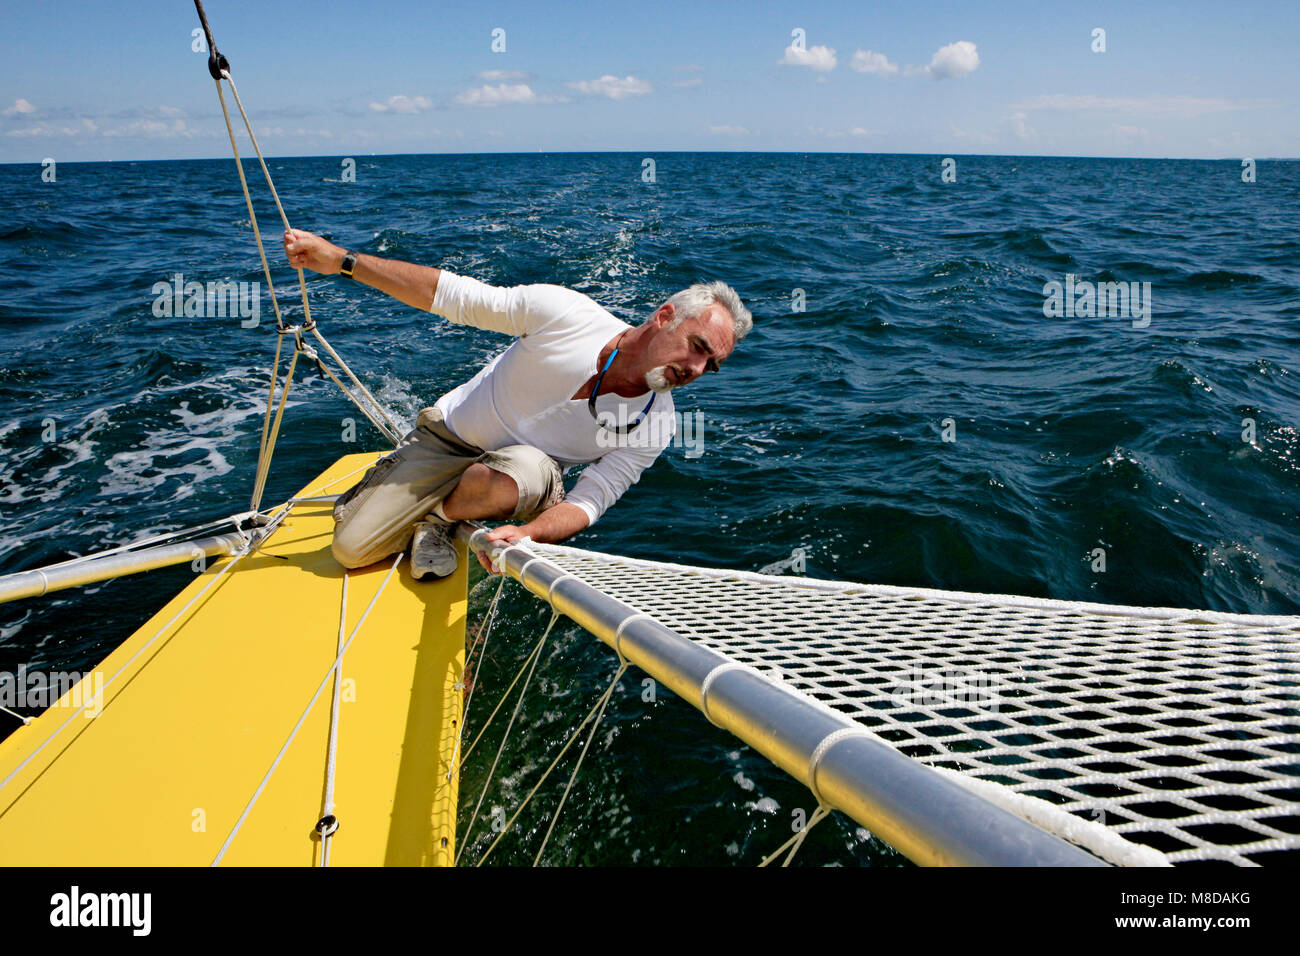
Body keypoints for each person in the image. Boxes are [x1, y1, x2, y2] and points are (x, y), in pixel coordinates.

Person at [282, 228, 752, 578]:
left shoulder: (657, 423)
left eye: (711, 365)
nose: (696, 368)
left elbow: (593, 499)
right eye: (697, 346)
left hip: (522, 479)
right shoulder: (566, 313)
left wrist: (531, 535)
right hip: (450, 439)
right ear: (665, 317)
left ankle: (440, 519)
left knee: (523, 470)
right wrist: (343, 261)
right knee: (350, 550)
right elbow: (455, 297)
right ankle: (422, 501)